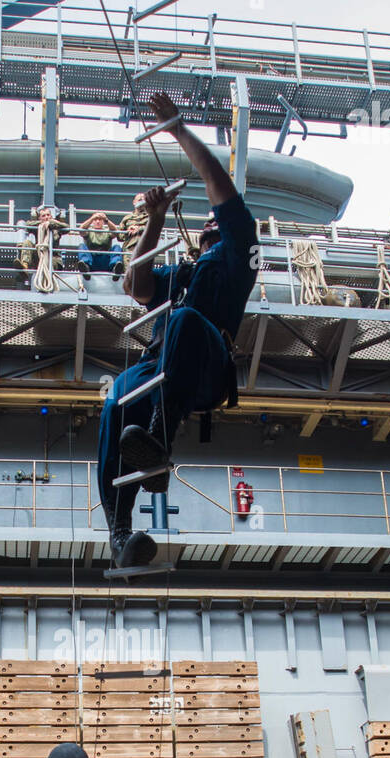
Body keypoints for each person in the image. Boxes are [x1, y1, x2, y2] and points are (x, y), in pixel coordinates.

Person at [99, 92, 259, 570]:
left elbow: (221, 188)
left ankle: (158, 444)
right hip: (161, 368)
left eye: (215, 220)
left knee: (188, 320)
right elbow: (137, 284)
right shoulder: (186, 273)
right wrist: (155, 221)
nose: (211, 221)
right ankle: (119, 531)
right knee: (115, 399)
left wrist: (177, 129)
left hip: (207, 366)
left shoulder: (237, 257)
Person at [16, 205, 68, 281]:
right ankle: (25, 267)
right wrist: (41, 223)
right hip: (39, 256)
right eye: (43, 216)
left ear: (51, 216)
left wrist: (52, 224)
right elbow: (27, 225)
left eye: (48, 215)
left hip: (53, 259)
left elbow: (67, 227)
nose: (46, 217)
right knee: (27, 242)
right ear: (40, 218)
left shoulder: (57, 228)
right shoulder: (38, 226)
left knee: (50, 263)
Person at [76, 212, 124, 278]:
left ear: (103, 222)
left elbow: (115, 232)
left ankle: (115, 267)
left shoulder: (107, 231)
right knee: (81, 246)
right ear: (92, 222)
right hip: (92, 261)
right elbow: (81, 230)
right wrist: (92, 218)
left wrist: (106, 220)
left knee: (117, 247)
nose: (98, 221)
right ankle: (85, 267)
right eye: (95, 220)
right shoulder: (89, 232)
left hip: (105, 261)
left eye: (100, 220)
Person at [118, 191, 149, 269]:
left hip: (145, 248)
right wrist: (128, 230)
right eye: (139, 199)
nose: (141, 200)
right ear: (134, 202)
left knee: (143, 273)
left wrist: (139, 229)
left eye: (143, 200)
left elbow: (154, 228)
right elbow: (120, 236)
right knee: (128, 273)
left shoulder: (150, 217)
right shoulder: (127, 218)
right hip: (129, 249)